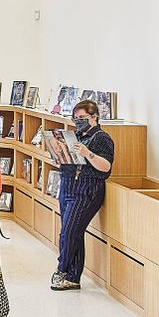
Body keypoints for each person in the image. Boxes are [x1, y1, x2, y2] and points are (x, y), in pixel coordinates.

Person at [50, 98, 115, 291]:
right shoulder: (74, 135)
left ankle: (61, 270)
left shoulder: (102, 138)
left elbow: (106, 167)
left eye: (82, 117)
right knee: (73, 233)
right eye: (75, 117)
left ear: (94, 117)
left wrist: (88, 153)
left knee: (69, 232)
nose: (77, 121)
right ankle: (73, 277)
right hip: (68, 185)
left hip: (87, 189)